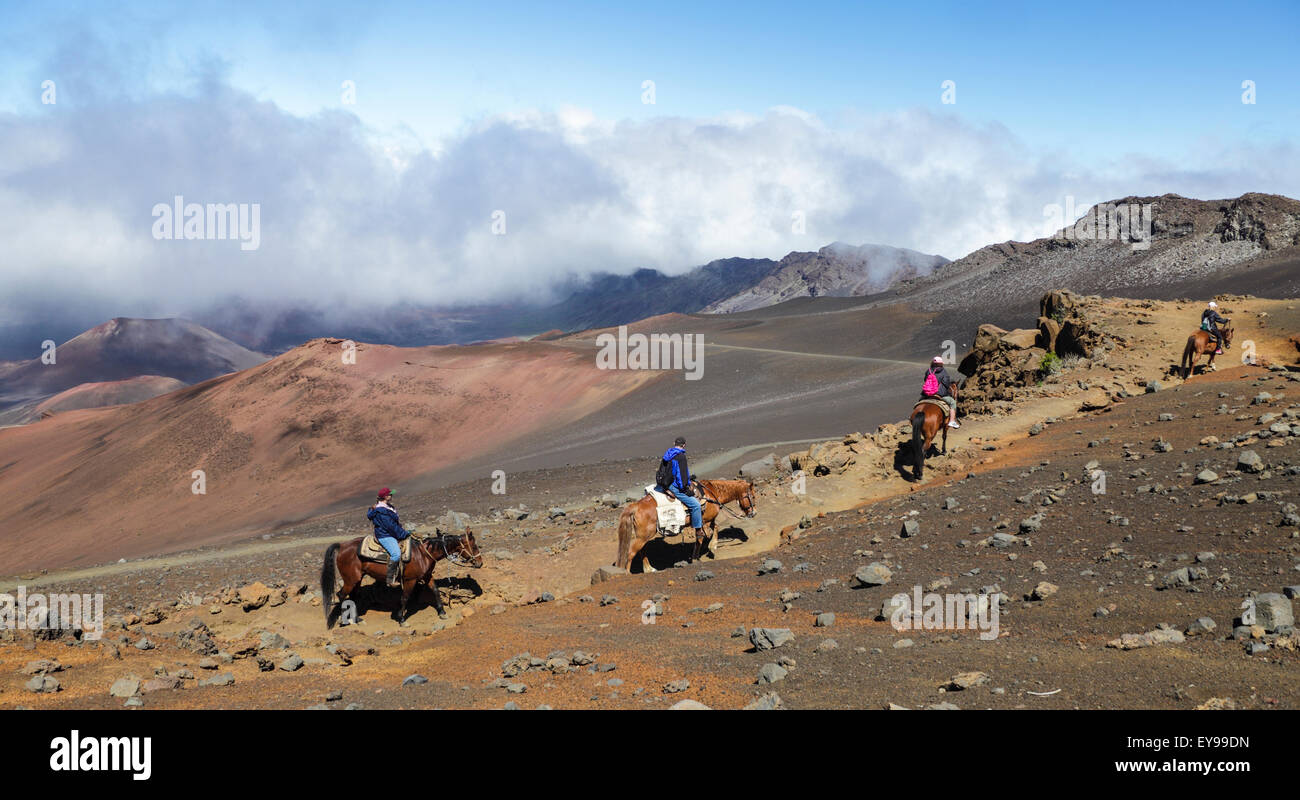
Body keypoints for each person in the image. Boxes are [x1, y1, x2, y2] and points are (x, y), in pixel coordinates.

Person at [657, 436, 703, 535]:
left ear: (674, 443)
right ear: (684, 445)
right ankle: (698, 529)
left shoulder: (668, 453)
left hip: (665, 482)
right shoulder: (681, 457)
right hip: (673, 486)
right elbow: (680, 476)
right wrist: (685, 489)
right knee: (696, 505)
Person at [367, 488, 409, 588]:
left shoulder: (387, 507)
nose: (392, 495)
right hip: (385, 535)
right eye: (390, 494)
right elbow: (390, 526)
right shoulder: (382, 511)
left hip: (391, 532)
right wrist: (403, 534)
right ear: (386, 497)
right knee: (396, 554)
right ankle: (390, 579)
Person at [922, 356, 959, 429]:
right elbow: (946, 383)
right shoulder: (943, 372)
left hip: (928, 394)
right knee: (952, 403)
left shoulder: (928, 371)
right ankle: (952, 421)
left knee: (920, 401)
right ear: (941, 364)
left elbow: (925, 380)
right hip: (940, 395)